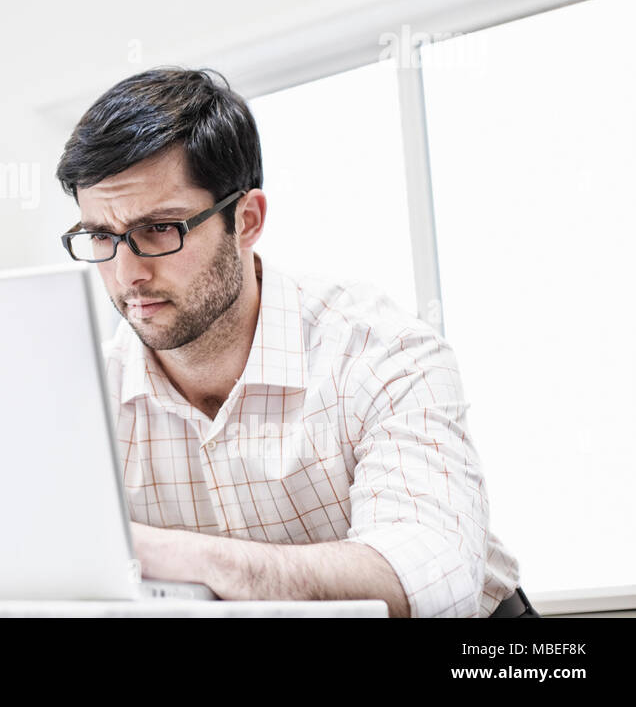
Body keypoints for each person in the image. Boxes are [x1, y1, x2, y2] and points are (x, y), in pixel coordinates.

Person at [55, 66, 535, 618]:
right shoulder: (86, 399)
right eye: (100, 236)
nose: (127, 273)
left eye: (160, 229)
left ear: (247, 219)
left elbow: (425, 580)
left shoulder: (379, 351)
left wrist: (156, 553)